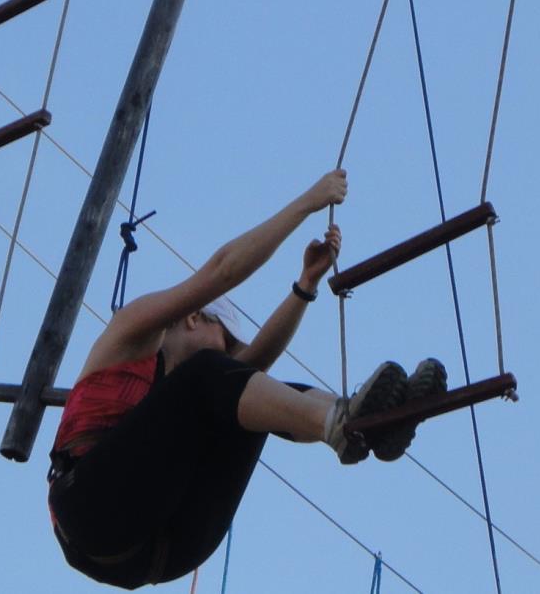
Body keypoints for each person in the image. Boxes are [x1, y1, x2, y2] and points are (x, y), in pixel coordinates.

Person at [46, 169, 445, 588]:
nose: (230, 355)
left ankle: (365, 422)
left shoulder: (186, 401)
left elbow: (252, 370)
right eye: (227, 342)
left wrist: (305, 285)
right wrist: (307, 202)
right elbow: (222, 271)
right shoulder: (132, 335)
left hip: (169, 547)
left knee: (253, 404)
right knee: (218, 380)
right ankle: (340, 424)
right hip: (90, 509)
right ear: (195, 317)